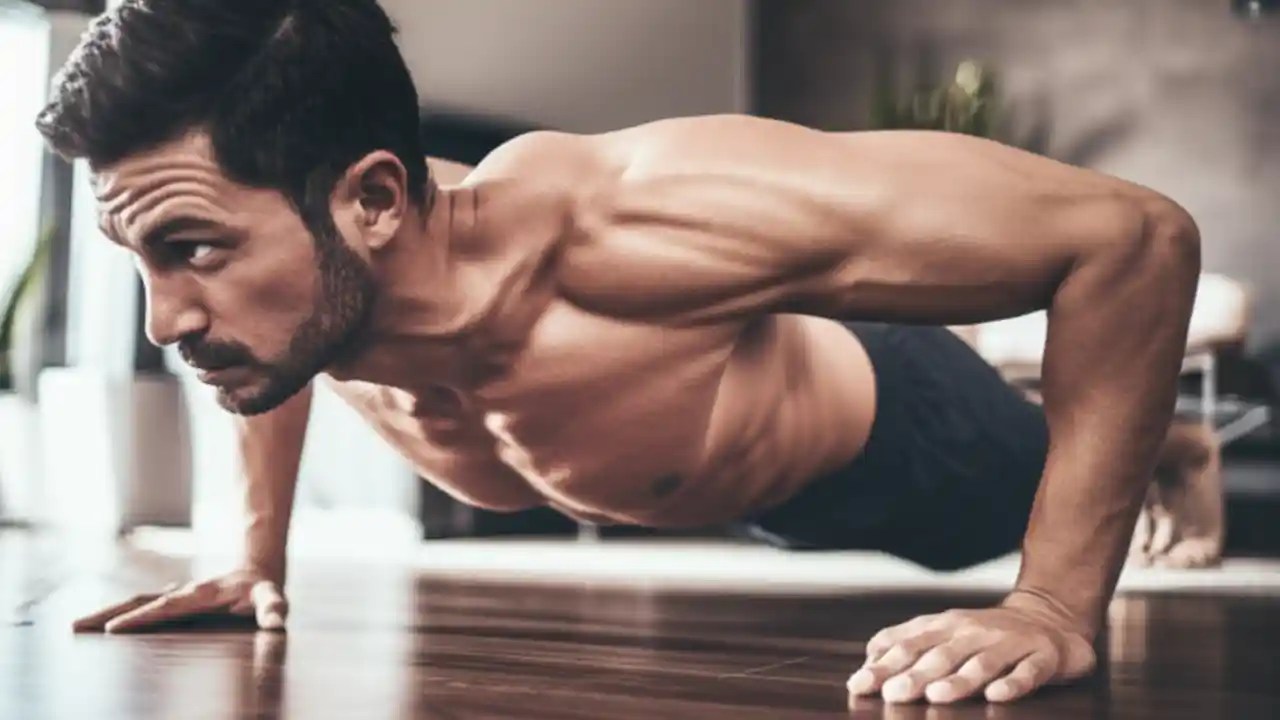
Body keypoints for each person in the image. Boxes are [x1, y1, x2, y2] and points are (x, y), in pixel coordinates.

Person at [36, 0, 1204, 706]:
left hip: (898, 439)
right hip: (711, 455)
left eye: (191, 249)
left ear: (375, 201)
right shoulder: (303, 292)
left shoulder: (631, 220)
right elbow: (259, 356)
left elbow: (1132, 238)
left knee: (1039, 458)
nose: (165, 321)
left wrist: (1052, 604)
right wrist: (252, 553)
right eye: (147, 259)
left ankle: (1173, 446)